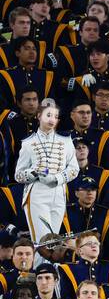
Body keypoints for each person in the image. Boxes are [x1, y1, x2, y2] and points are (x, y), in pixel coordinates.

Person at [14, 98, 80, 248]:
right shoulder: (28, 142)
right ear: (38, 116)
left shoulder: (66, 140)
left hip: (59, 193)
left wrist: (56, 178)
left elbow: (74, 169)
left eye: (55, 117)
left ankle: (47, 270)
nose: (52, 120)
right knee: (43, 242)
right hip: (37, 193)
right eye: (48, 115)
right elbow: (18, 175)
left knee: (53, 243)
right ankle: (41, 271)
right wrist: (33, 173)